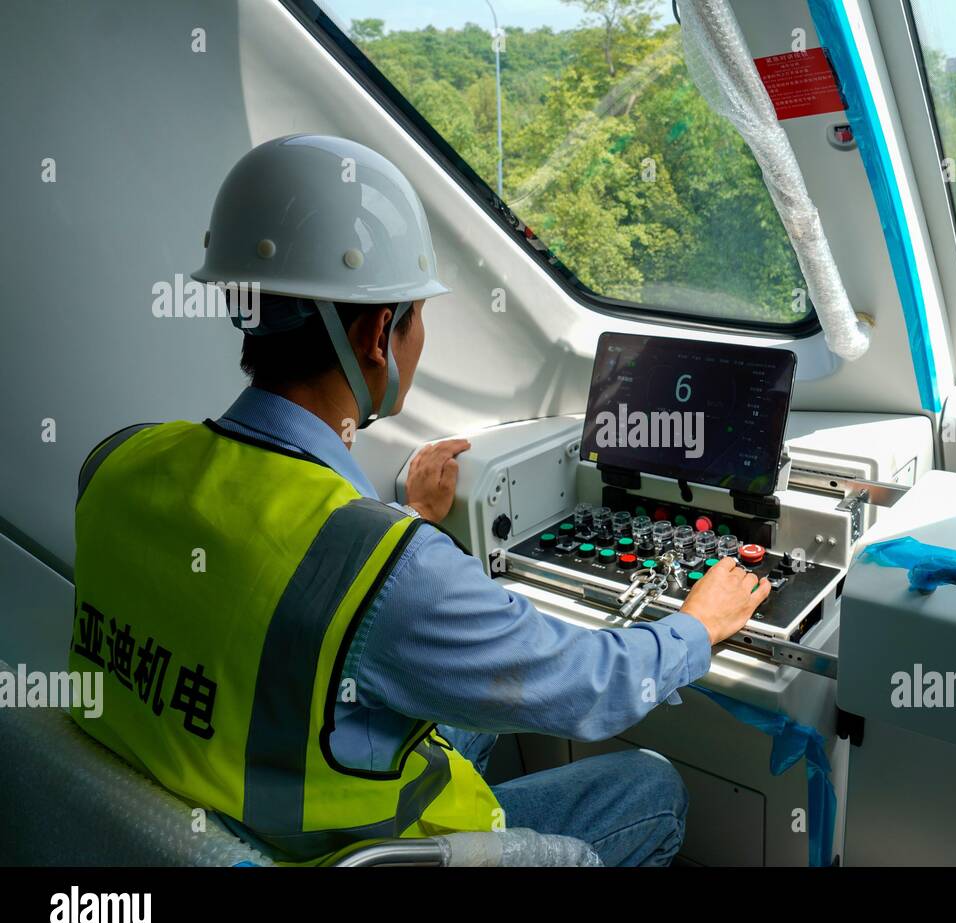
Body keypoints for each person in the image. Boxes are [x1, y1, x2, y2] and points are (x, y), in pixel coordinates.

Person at [70, 134, 770, 867]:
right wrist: (696, 625)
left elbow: (261, 605)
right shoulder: (389, 570)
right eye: (417, 316)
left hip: (218, 816)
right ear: (378, 333)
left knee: (480, 710)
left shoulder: (118, 462)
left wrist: (403, 524)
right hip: (350, 850)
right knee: (648, 785)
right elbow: (588, 689)